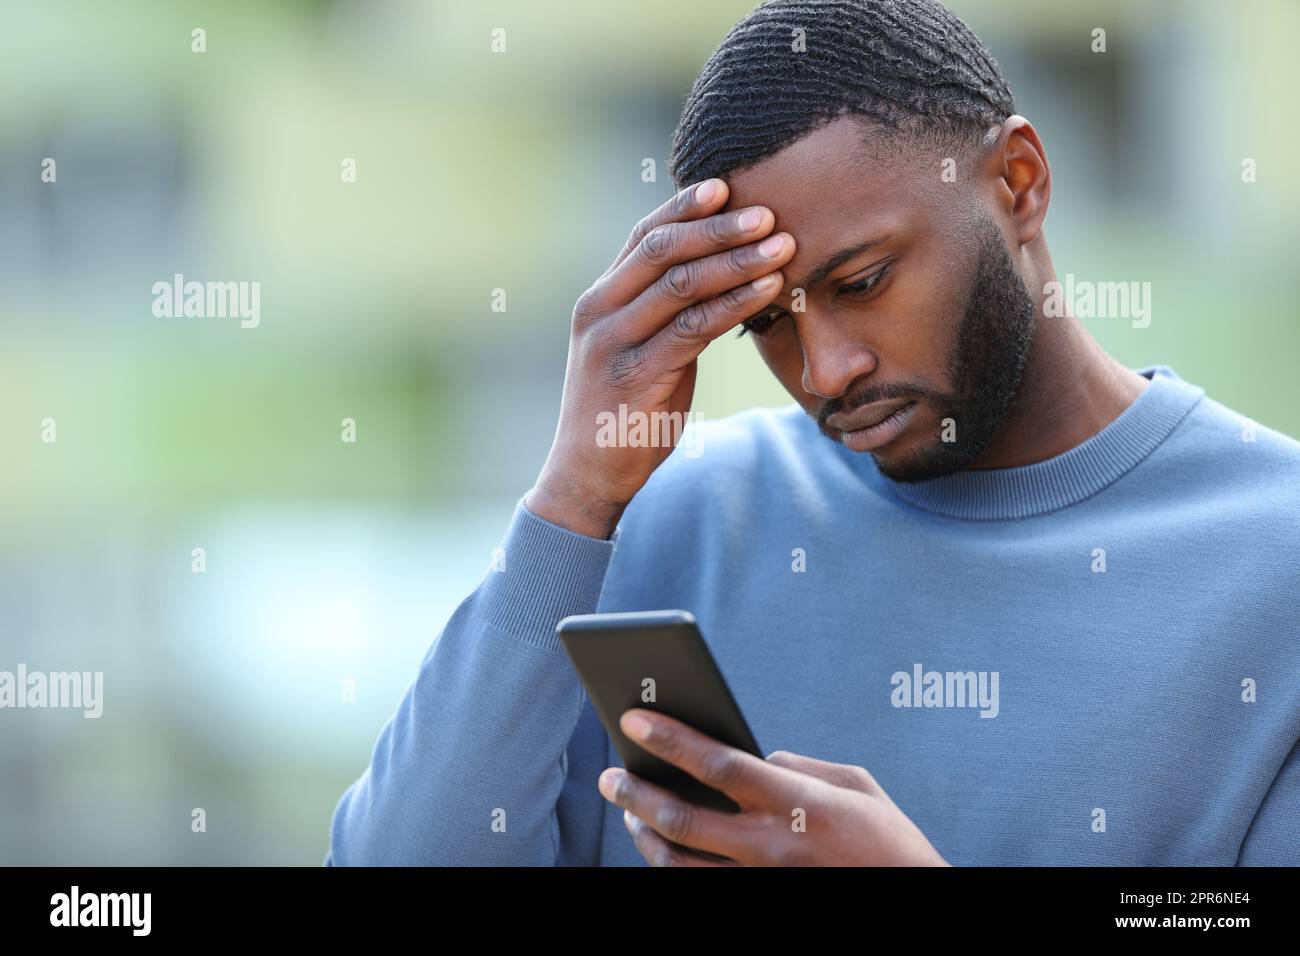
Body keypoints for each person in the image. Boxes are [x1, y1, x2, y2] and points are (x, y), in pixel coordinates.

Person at [326, 0, 1300, 866]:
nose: (826, 370)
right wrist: (572, 498)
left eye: (863, 282)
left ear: (1018, 180)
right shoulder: (673, 526)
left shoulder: (1273, 556)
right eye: (769, 322)